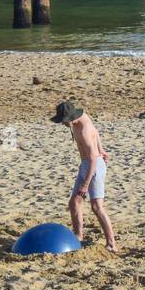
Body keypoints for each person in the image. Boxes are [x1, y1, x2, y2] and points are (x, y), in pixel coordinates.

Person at [52, 100, 117, 251]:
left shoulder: (84, 131)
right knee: (74, 203)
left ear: (71, 118)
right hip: (85, 164)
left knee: (96, 207)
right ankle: (78, 237)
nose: (63, 124)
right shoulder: (81, 118)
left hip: (94, 167)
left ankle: (112, 243)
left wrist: (86, 184)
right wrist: (101, 148)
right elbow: (97, 132)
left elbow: (93, 159)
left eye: (64, 121)